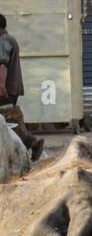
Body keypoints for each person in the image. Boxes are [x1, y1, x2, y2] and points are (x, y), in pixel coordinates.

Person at [0, 13, 41, 161]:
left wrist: (1, 86)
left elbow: (2, 65)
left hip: (5, 89)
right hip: (11, 87)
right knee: (8, 120)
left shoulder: (3, 40)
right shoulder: (10, 39)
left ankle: (31, 142)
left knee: (8, 121)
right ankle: (28, 144)